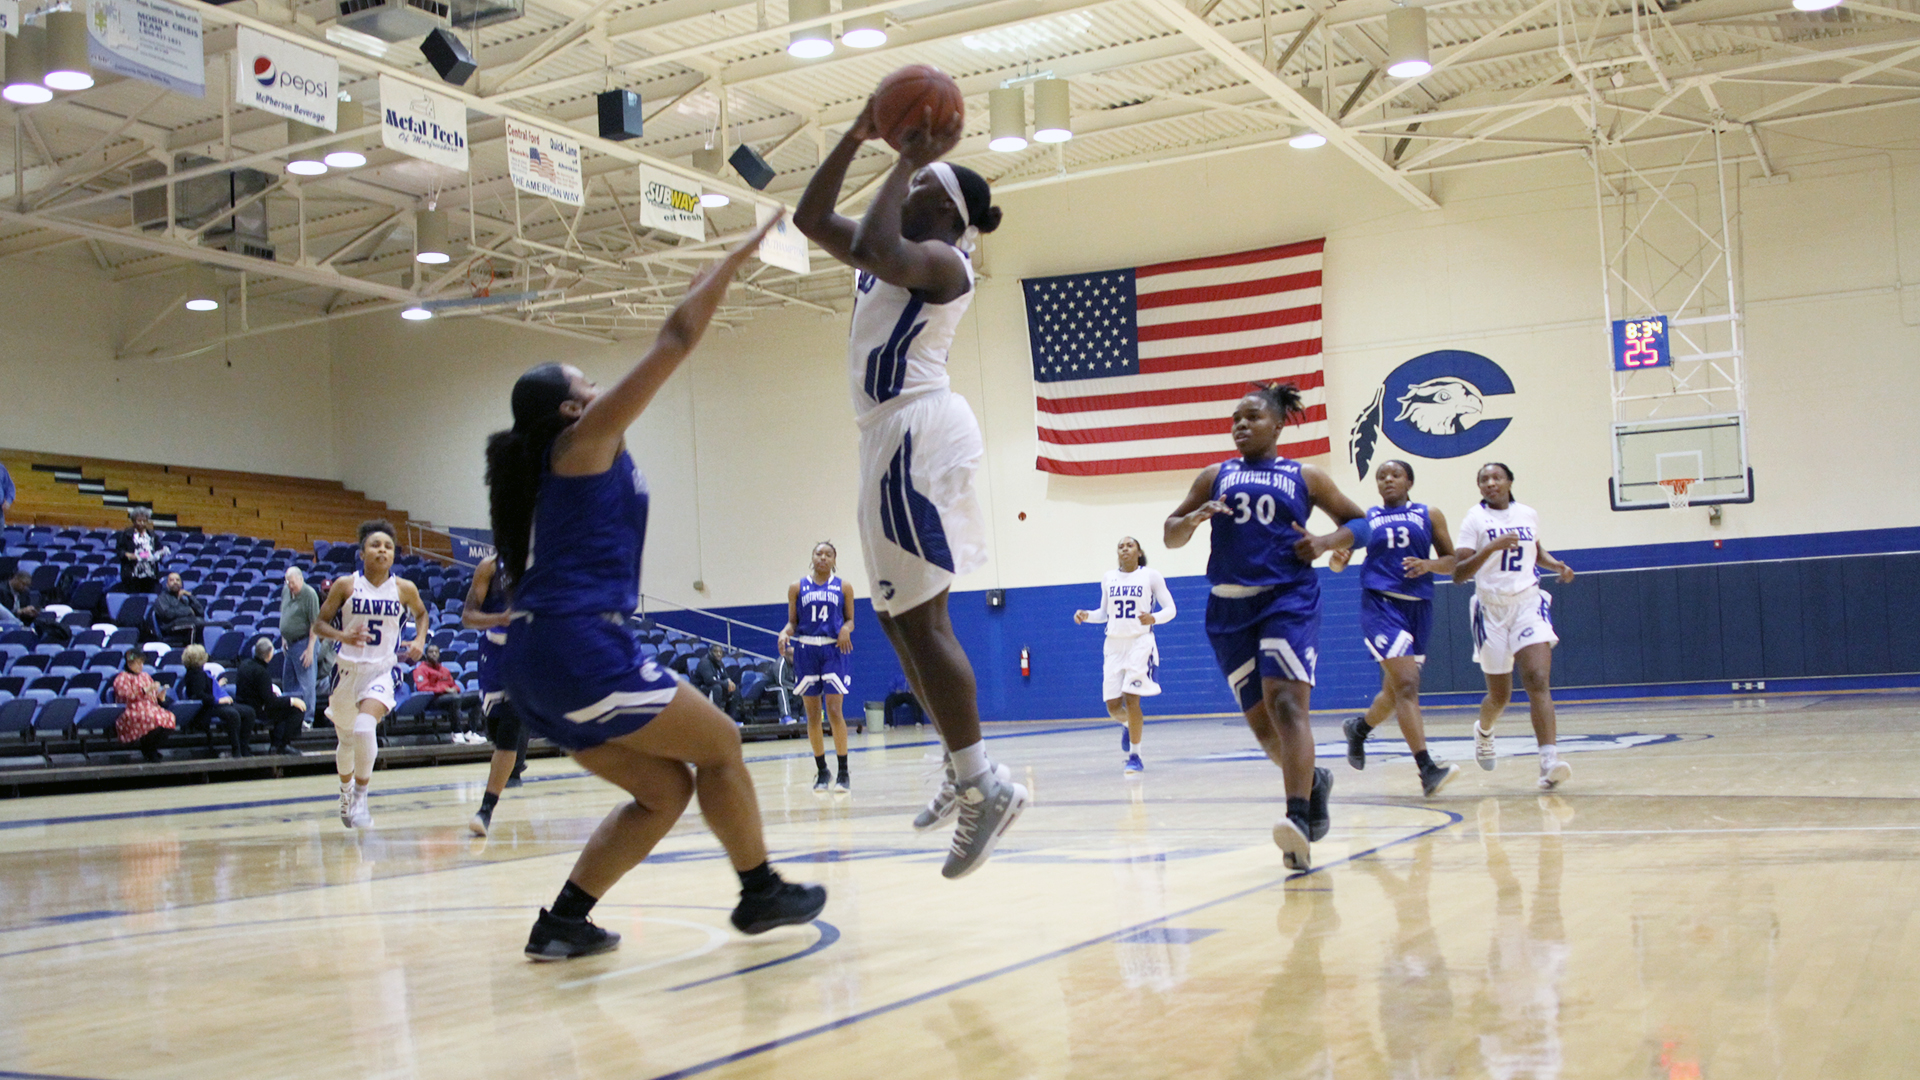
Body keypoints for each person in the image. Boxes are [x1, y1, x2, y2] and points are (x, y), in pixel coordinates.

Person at [485, 214, 824, 962]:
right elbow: (675, 339)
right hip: (577, 643)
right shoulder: (582, 442)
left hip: (536, 657)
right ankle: (760, 890)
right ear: (573, 408)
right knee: (723, 744)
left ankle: (564, 922)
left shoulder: (558, 465)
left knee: (664, 791)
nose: (599, 387)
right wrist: (733, 261)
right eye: (587, 383)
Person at [795, 94, 1029, 879]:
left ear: (946, 212)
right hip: (887, 437)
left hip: (915, 431)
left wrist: (903, 155)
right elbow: (810, 218)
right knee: (900, 624)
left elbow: (869, 239)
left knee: (924, 624)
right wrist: (854, 133)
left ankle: (982, 783)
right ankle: (963, 768)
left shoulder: (945, 263)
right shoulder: (890, 250)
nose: (910, 182)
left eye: (924, 181)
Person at [1163, 383, 1365, 871]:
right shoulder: (1215, 475)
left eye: (1251, 417)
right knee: (1264, 729)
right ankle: (1314, 782)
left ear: (1277, 425)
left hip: (1287, 599)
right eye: (1235, 418)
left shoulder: (1305, 476)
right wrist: (1193, 519)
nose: (1240, 425)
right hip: (1228, 610)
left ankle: (1297, 819)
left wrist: (1324, 542)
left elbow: (1360, 524)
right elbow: (1170, 535)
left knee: (1287, 704)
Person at [1329, 460, 1461, 797]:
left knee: (1393, 694)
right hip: (1381, 605)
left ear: (1409, 481)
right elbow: (1336, 563)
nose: (1388, 479)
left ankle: (1359, 729)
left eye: (1395, 474)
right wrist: (1338, 560)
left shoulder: (1429, 514)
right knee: (1407, 684)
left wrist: (1429, 565)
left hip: (1418, 608)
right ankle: (1427, 769)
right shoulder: (1367, 520)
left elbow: (1452, 561)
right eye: (1381, 476)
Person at [1451, 463, 1577, 791]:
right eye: (1484, 479)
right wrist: (1490, 548)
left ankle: (1548, 761)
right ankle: (1484, 731)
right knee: (1500, 695)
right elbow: (1459, 573)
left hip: (1527, 603)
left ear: (1509, 482)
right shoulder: (1474, 519)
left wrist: (1555, 564)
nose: (1490, 483)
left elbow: (1534, 550)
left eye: (1496, 477)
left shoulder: (1527, 514)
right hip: (1490, 609)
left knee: (1537, 679)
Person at [312, 520, 430, 829]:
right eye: (375, 545)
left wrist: (420, 640)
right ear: (362, 552)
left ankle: (361, 799)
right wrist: (342, 636)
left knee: (366, 728)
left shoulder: (404, 588)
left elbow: (421, 613)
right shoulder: (345, 585)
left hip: (382, 670)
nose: (382, 550)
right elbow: (319, 625)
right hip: (346, 671)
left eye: (388, 546)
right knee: (347, 740)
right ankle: (346, 791)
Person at [1073, 536, 1176, 775]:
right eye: (1121, 546)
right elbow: (1104, 613)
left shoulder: (1151, 576)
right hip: (1113, 645)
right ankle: (1129, 724)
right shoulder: (1108, 578)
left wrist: (1154, 618)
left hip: (1139, 643)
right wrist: (1087, 615)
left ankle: (1135, 756)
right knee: (1112, 707)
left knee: (1132, 699)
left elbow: (1171, 609)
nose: (1125, 549)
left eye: (1130, 545)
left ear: (1139, 552)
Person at [778, 541, 856, 793]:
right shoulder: (796, 587)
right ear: (812, 557)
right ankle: (822, 771)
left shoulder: (843, 586)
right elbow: (792, 623)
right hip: (806, 650)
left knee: (834, 710)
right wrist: (784, 633)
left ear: (834, 560)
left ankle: (843, 772)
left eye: (828, 554)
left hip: (833, 649)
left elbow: (851, 620)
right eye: (818, 553)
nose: (823, 557)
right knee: (812, 714)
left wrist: (845, 629)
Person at [462, 554, 527, 837]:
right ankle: (507, 768)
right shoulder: (489, 567)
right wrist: (501, 618)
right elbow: (468, 617)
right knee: (497, 730)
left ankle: (485, 810)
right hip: (494, 654)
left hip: (527, 654)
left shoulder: (549, 563)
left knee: (511, 728)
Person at [178, 643, 256, 757]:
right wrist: (218, 700)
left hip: (212, 704)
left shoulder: (200, 672)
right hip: (204, 708)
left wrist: (217, 686)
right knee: (233, 714)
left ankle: (244, 747)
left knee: (249, 712)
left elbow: (206, 688)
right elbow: (199, 695)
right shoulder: (194, 675)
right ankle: (236, 750)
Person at [233, 637, 307, 756]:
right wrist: (292, 700)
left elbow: (255, 691)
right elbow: (270, 703)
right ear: (269, 655)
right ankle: (282, 745)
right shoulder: (262, 672)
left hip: (245, 705)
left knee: (281, 709)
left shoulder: (244, 664)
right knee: (297, 709)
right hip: (257, 710)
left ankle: (276, 745)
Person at [112, 650, 174, 762]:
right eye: (138, 663)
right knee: (153, 718)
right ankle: (148, 749)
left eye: (142, 663)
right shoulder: (122, 678)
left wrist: (160, 695)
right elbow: (125, 696)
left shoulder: (145, 676)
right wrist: (145, 690)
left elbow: (153, 695)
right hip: (131, 709)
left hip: (150, 708)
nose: (141, 666)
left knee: (169, 717)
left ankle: (152, 747)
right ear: (129, 664)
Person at [279, 566, 320, 719]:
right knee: (288, 681)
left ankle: (307, 718)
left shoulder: (310, 594)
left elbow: (315, 623)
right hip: (289, 644)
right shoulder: (286, 591)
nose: (290, 586)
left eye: (293, 583)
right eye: (288, 582)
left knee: (307, 683)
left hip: (304, 642)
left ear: (301, 579)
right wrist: (284, 636)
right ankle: (290, 716)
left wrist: (310, 649)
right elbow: (284, 612)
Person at [411, 643, 477, 733]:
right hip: (433, 700)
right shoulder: (420, 670)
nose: (434, 654)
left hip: (450, 698)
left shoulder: (444, 670)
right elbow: (422, 688)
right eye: (431, 652)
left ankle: (471, 731)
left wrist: (455, 689)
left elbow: (454, 685)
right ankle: (456, 732)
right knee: (455, 698)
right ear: (426, 655)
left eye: (436, 652)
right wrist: (444, 690)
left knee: (477, 697)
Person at [114, 509, 169, 593]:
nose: (142, 523)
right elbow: (119, 551)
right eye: (139, 521)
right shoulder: (126, 534)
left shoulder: (152, 535)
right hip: (132, 573)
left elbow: (158, 548)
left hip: (150, 573)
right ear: (134, 521)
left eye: (144, 521)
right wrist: (129, 555)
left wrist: (161, 552)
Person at [691, 643, 745, 722]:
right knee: (717, 688)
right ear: (710, 652)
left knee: (735, 689)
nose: (719, 654)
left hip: (713, 687)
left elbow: (726, 677)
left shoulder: (720, 663)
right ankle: (714, 719)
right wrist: (726, 684)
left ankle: (729, 719)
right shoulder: (704, 663)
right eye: (716, 652)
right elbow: (709, 681)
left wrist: (730, 682)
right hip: (699, 689)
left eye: (720, 652)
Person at [153, 573, 210, 647]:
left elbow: (200, 612)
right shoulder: (162, 598)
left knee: (202, 622)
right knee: (198, 622)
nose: (175, 582)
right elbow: (167, 614)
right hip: (170, 627)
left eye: (177, 580)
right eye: (172, 580)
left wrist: (190, 596)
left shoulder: (184, 599)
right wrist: (188, 610)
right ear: (167, 584)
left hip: (186, 623)